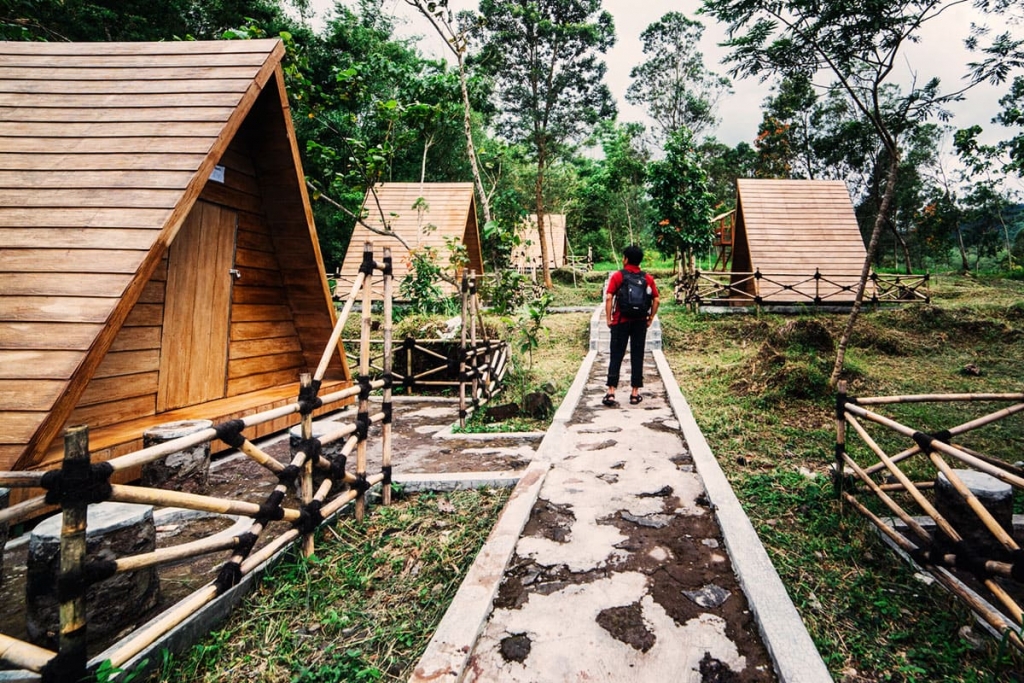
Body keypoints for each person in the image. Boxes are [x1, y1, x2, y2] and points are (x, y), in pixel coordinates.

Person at [603, 245, 659, 407]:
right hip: (640, 322)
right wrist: (650, 318)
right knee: (637, 355)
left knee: (616, 355)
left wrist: (609, 318)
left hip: (621, 321)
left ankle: (611, 392)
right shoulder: (647, 278)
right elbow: (656, 300)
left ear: (626, 259)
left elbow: (608, 298)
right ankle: (635, 393)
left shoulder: (618, 276)